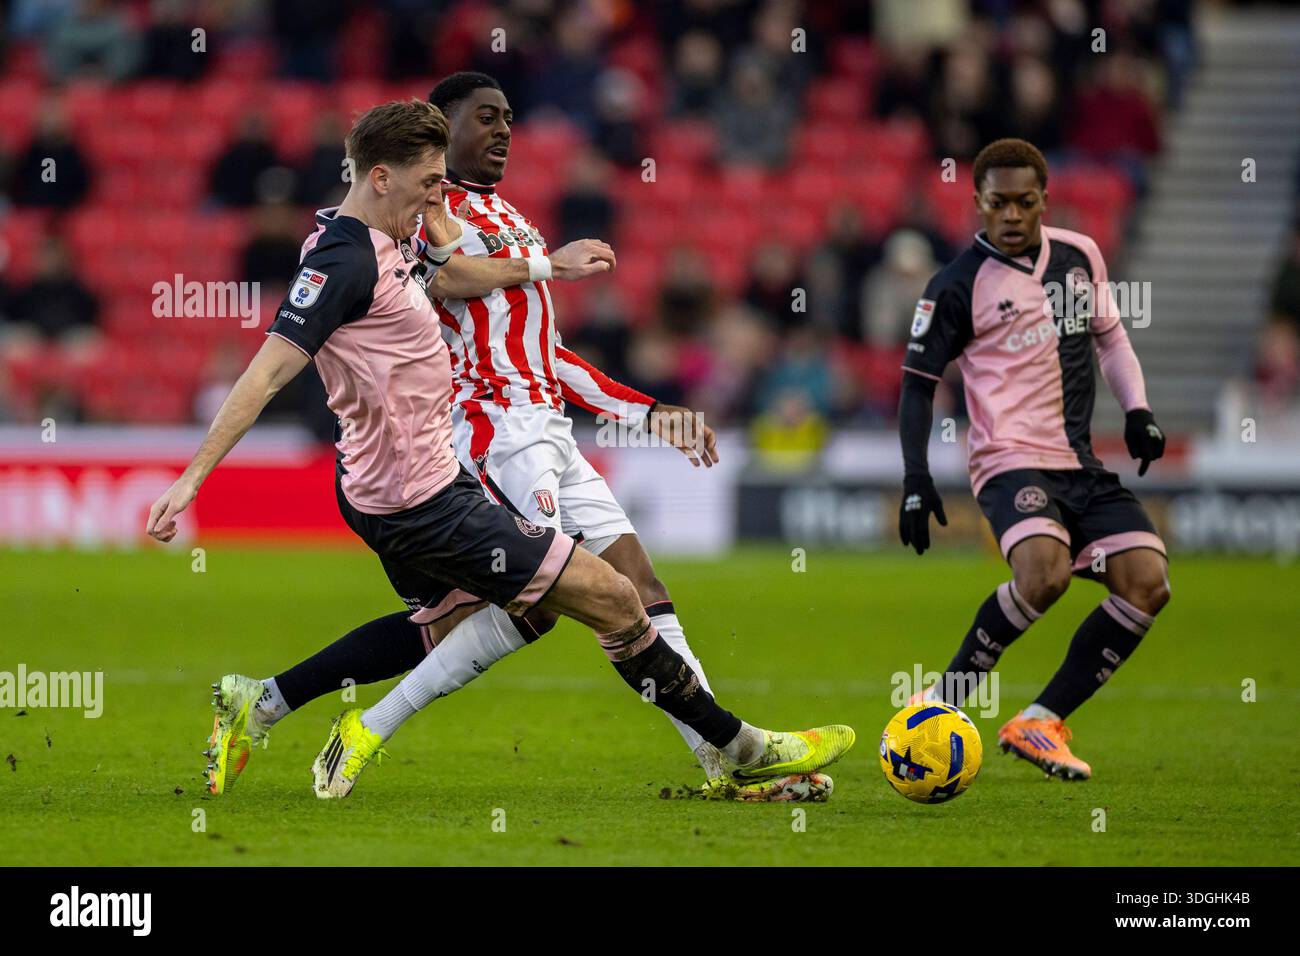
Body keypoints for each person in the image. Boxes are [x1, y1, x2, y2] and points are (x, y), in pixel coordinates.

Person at [147, 98, 854, 800]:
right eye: (428, 184)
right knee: (609, 599)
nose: (438, 198)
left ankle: (261, 702)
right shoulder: (347, 258)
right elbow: (270, 368)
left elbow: (456, 280)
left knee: (454, 621)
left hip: (400, 483)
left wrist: (511, 260)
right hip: (424, 496)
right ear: (383, 177)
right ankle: (744, 750)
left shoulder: (378, 243)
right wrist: (192, 480)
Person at [896, 138, 1170, 780]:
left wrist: (1138, 411)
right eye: (999, 203)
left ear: (1044, 199)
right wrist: (916, 475)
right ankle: (943, 704)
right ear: (978, 204)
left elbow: (1111, 337)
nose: (1013, 215)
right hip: (1008, 461)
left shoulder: (1079, 257)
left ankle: (1040, 722)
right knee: (1044, 574)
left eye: (1025, 202)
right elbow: (916, 383)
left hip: (1081, 461)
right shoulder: (955, 286)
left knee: (1148, 582)